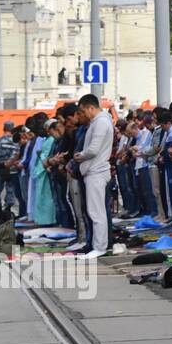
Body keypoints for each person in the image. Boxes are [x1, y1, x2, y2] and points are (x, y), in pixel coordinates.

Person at [73, 94, 114, 258]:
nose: (83, 115)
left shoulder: (101, 122)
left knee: (97, 212)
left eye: (83, 110)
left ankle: (100, 246)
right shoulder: (98, 122)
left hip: (97, 171)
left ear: (91, 107)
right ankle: (98, 245)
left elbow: (94, 149)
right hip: (93, 170)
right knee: (95, 211)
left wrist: (81, 155)